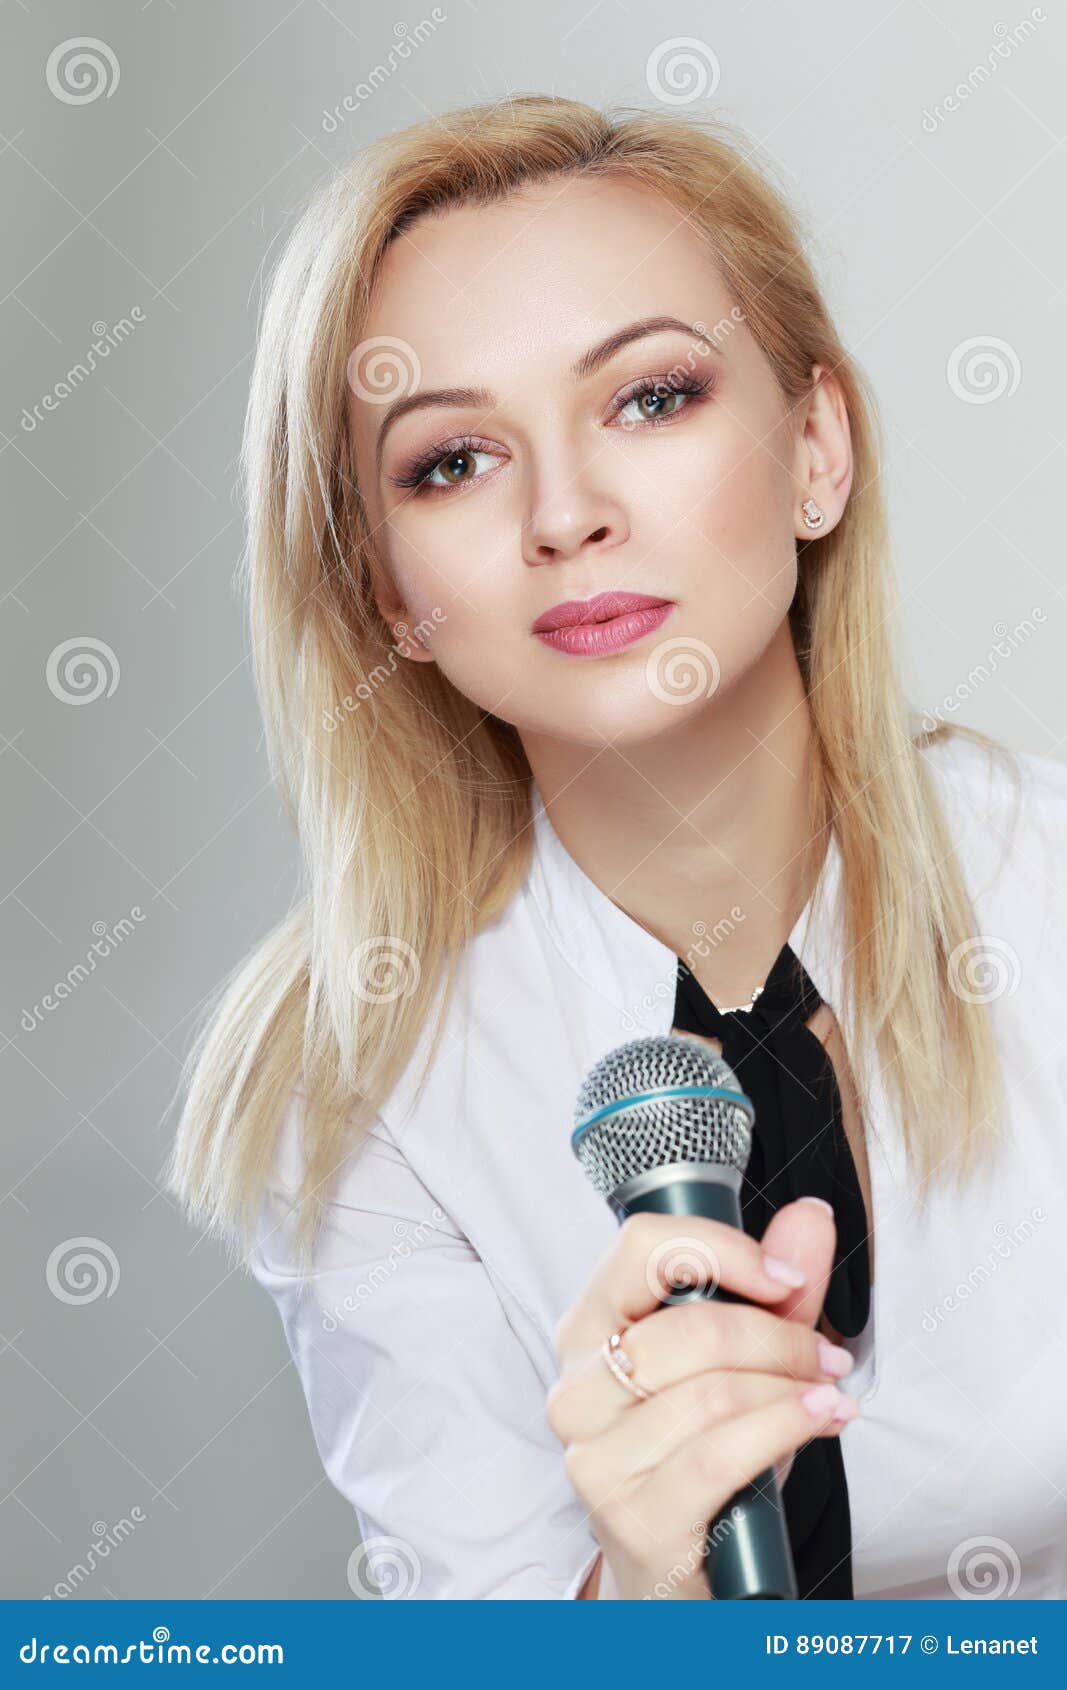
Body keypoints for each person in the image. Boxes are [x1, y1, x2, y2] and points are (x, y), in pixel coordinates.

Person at [165, 94, 1067, 1600]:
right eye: (452, 460)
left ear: (816, 451)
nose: (566, 514)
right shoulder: (355, 1078)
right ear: (392, 594)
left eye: (650, 398)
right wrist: (642, 1590)